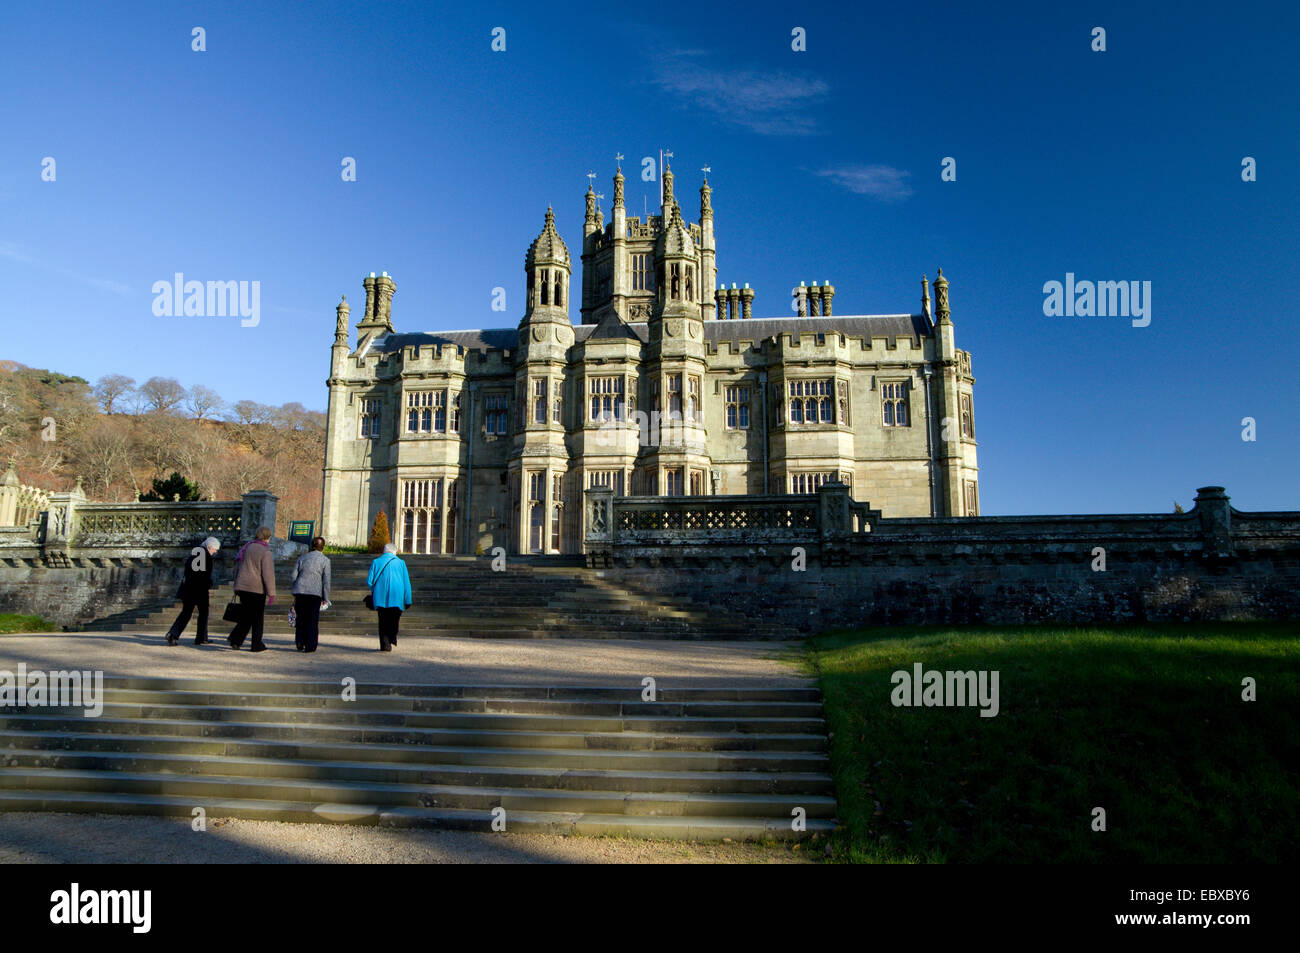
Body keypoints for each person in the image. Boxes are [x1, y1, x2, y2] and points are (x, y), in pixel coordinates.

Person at [228, 525, 276, 652]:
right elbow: (268, 574)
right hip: (256, 588)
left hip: (243, 586)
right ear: (268, 537)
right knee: (257, 618)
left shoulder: (246, 547)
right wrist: (271, 592)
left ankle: (236, 640)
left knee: (246, 616)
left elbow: (238, 567)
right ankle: (256, 644)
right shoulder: (265, 552)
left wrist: (236, 585)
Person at [165, 537, 221, 646]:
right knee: (203, 613)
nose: (215, 552)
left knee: (186, 612)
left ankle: (173, 634)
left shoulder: (195, 553)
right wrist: (209, 584)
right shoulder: (205, 556)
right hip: (199, 589)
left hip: (189, 588)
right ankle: (201, 637)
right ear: (209, 547)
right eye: (215, 549)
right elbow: (203, 575)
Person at [366, 542, 412, 651]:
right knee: (394, 620)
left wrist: (375, 590)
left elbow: (369, 581)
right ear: (394, 551)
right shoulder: (401, 563)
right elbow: (406, 583)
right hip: (397, 597)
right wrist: (408, 599)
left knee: (382, 622)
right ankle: (392, 637)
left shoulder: (376, 562)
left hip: (380, 597)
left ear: (384, 551)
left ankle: (384, 645)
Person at [290, 536, 331, 653]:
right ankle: (310, 645)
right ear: (322, 547)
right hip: (314, 593)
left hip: (300, 591)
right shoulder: (325, 561)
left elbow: (293, 575)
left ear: (311, 545)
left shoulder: (302, 558)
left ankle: (299, 642)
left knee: (301, 618)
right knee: (312, 620)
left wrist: (295, 587)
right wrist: (326, 598)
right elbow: (326, 581)